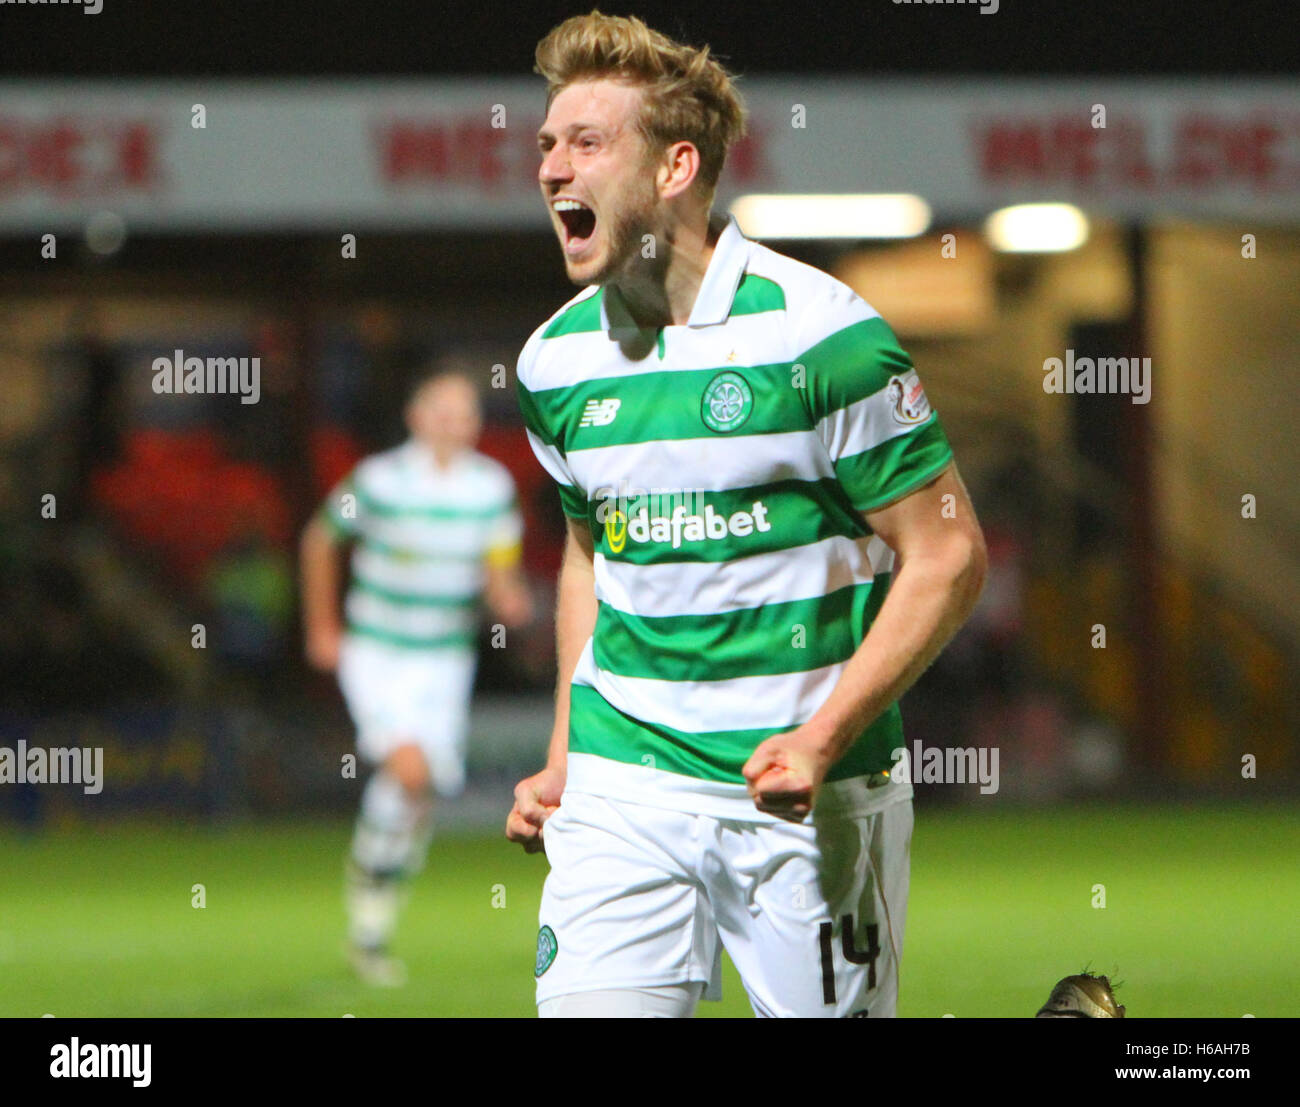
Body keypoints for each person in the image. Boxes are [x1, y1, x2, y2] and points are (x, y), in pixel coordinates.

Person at [506, 12, 987, 1018]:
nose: (552, 169)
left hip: (805, 792)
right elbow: (588, 556)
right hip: (622, 785)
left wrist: (821, 736)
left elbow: (946, 559)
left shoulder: (825, 339)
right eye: (547, 144)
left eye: (587, 143)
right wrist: (565, 753)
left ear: (675, 166)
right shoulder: (553, 363)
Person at [302, 368, 532, 985]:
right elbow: (320, 539)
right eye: (445, 411)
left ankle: (372, 917)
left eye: (468, 412)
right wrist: (322, 628)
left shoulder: (492, 488)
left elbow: (498, 568)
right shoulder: (379, 481)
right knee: (409, 770)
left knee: (419, 792)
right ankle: (369, 907)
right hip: (378, 651)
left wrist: (508, 599)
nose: (458, 423)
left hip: (445, 657)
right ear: (416, 416)